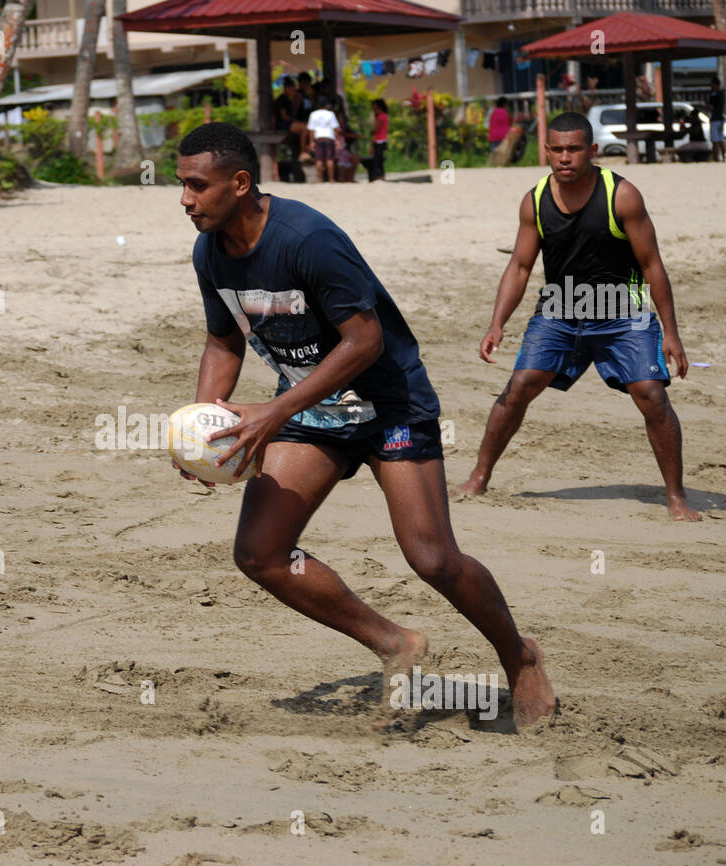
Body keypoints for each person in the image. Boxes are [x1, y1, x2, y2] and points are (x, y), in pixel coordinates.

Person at [174, 122, 556, 727]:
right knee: (261, 553)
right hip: (312, 410)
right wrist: (202, 427)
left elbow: (366, 340)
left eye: (197, 185)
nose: (186, 199)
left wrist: (274, 412)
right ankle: (393, 642)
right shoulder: (210, 252)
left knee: (432, 558)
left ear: (240, 183)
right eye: (181, 185)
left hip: (389, 405)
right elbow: (224, 343)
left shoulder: (308, 238)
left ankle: (520, 656)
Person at [456, 112, 698, 521]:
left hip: (624, 312)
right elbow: (519, 266)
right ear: (546, 150)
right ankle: (478, 477)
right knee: (519, 387)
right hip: (560, 311)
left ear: (592, 150)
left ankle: (676, 497)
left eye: (573, 149)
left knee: (652, 396)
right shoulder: (534, 199)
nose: (564, 157)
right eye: (556, 149)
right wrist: (497, 323)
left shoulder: (622, 196)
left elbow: (653, 265)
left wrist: (671, 333)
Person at [307, 96, 339, 183]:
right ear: (327, 105)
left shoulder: (313, 114)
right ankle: (331, 179)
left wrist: (311, 141)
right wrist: (337, 140)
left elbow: (311, 130)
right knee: (329, 159)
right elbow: (335, 128)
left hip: (318, 138)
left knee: (319, 159)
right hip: (329, 137)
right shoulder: (331, 114)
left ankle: (320, 179)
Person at [367, 98, 389, 182]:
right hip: (383, 140)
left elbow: (375, 131)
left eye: (374, 107)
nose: (373, 109)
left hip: (379, 141)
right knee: (379, 160)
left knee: (377, 161)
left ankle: (380, 177)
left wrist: (371, 132)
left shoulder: (380, 117)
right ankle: (381, 177)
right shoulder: (385, 116)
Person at [707, 77, 726, 162]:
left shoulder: (718, 94)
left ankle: (718, 158)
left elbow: (713, 106)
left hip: (716, 119)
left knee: (716, 141)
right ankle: (722, 158)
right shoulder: (718, 94)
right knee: (720, 139)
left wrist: (709, 106)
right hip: (719, 119)